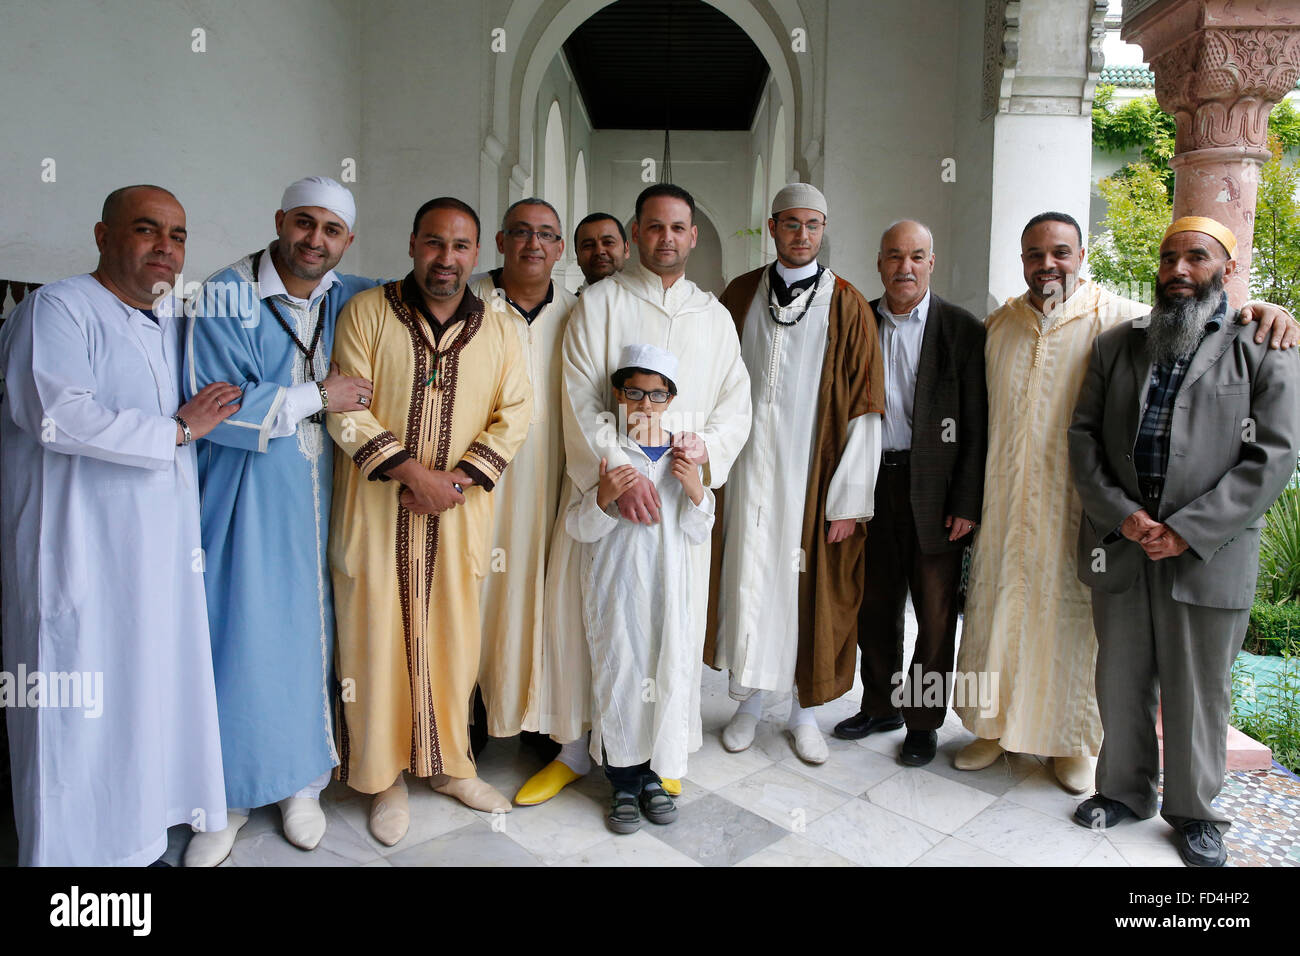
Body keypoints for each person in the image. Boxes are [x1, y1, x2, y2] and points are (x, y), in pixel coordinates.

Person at [954, 212, 1299, 793]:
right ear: (1021, 261)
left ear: (1082, 255)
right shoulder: (999, 325)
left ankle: (1070, 742)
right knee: (1000, 611)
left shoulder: (1118, 320)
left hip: (1083, 512)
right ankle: (991, 728)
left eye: (1061, 252)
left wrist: (1268, 309)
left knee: (1072, 628)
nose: (1048, 265)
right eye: (1034, 254)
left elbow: (1203, 336)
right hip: (1009, 504)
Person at [0, 185, 237, 865]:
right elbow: (55, 414)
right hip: (75, 551)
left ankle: (135, 837)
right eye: (147, 230)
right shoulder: (60, 308)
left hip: (151, 555)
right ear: (103, 236)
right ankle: (69, 861)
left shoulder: (168, 323)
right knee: (73, 710)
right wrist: (177, 429)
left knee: (142, 693)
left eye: (178, 236)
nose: (166, 248)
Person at [1068, 216, 1300, 866]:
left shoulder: (1261, 344)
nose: (1177, 270)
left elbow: (1273, 455)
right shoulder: (1120, 344)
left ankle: (1197, 813)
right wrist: (1123, 516)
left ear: (1224, 267)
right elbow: (1083, 437)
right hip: (1124, 544)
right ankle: (1122, 791)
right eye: (1168, 257)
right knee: (1121, 678)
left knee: (1199, 692)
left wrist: (1187, 530)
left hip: (1208, 555)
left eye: (1194, 257)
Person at [515, 183, 751, 805]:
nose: (666, 238)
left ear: (693, 236)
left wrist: (706, 453)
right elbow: (579, 398)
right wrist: (618, 476)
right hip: (614, 504)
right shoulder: (599, 304)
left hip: (682, 504)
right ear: (636, 233)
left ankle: (664, 755)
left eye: (678, 228)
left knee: (672, 635)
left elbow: (736, 405)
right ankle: (590, 753)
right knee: (605, 633)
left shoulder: (714, 315)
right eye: (653, 227)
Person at [181, 177, 378, 866]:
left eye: (330, 229)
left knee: (312, 636)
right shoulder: (225, 294)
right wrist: (315, 395)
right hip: (246, 497)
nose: (314, 239)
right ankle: (225, 798)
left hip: (328, 494)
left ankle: (302, 782)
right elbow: (214, 405)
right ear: (279, 222)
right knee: (241, 633)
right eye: (304, 223)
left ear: (346, 240)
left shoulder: (354, 294)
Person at [326, 197, 532, 846]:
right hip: (379, 510)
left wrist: (458, 481)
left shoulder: (498, 327)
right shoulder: (366, 313)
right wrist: (414, 474)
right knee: (375, 639)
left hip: (460, 516)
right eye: (435, 243)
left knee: (454, 638)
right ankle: (381, 776)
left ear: (478, 254)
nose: (447, 259)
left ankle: (449, 767)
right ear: (414, 243)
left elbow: (516, 412)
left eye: (461, 247)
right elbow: (345, 407)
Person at [707, 183, 886, 765]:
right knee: (750, 584)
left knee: (807, 593)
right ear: (772, 226)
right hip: (745, 474)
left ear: (823, 229)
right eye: (791, 224)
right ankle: (752, 705)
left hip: (812, 484)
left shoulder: (849, 305)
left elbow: (865, 407)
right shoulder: (737, 296)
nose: (802, 235)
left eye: (813, 224)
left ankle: (804, 713)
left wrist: (848, 502)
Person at [830, 220, 987, 768]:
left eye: (917, 256)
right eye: (895, 256)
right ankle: (879, 705)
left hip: (937, 494)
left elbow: (976, 424)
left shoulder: (962, 329)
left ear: (931, 262)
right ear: (879, 263)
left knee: (937, 614)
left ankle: (921, 721)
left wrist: (967, 503)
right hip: (871, 485)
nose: (905, 267)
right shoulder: (857, 322)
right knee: (874, 606)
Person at [567, 344, 715, 833]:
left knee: (665, 674)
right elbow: (578, 529)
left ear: (670, 399)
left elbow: (699, 529)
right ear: (619, 394)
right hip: (616, 590)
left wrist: (696, 490)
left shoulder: (682, 455)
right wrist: (605, 499)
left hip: (669, 593)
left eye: (656, 395)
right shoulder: (603, 454)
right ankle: (623, 782)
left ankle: (655, 776)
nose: (644, 405)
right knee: (622, 677)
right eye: (634, 393)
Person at [469, 199, 576, 747]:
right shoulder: (468, 301)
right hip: (477, 478)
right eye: (520, 233)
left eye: (546, 235)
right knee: (475, 592)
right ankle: (471, 717)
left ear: (560, 248)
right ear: (500, 241)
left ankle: (537, 715)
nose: (533, 244)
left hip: (552, 478)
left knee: (542, 597)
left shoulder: (580, 311)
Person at [573, 212, 630, 293]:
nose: (599, 251)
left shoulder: (645, 302)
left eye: (608, 242)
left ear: (626, 249)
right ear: (577, 256)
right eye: (588, 245)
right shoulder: (570, 305)